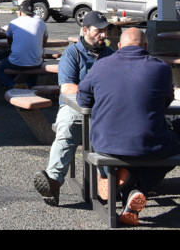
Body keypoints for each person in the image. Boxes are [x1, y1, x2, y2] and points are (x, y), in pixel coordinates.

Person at [77, 26, 180, 226]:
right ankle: (136, 185)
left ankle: (120, 181)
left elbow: (83, 98)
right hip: (148, 142)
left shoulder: (101, 65)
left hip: (105, 142)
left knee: (120, 144)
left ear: (119, 46)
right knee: (173, 147)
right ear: (147, 46)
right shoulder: (161, 68)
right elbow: (166, 100)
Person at [33, 10, 113, 206]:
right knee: (67, 127)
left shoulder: (111, 55)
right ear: (84, 30)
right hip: (74, 107)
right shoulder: (72, 53)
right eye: (99, 31)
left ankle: (107, 182)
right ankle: (53, 182)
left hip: (104, 109)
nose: (104, 35)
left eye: (106, 31)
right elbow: (68, 88)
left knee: (110, 130)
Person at [0, 0, 47, 90]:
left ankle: (12, 85)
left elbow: (9, 41)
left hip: (16, 62)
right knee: (33, 65)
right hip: (36, 62)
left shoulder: (13, 23)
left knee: (0, 68)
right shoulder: (41, 23)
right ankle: (29, 86)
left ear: (20, 12)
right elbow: (44, 42)